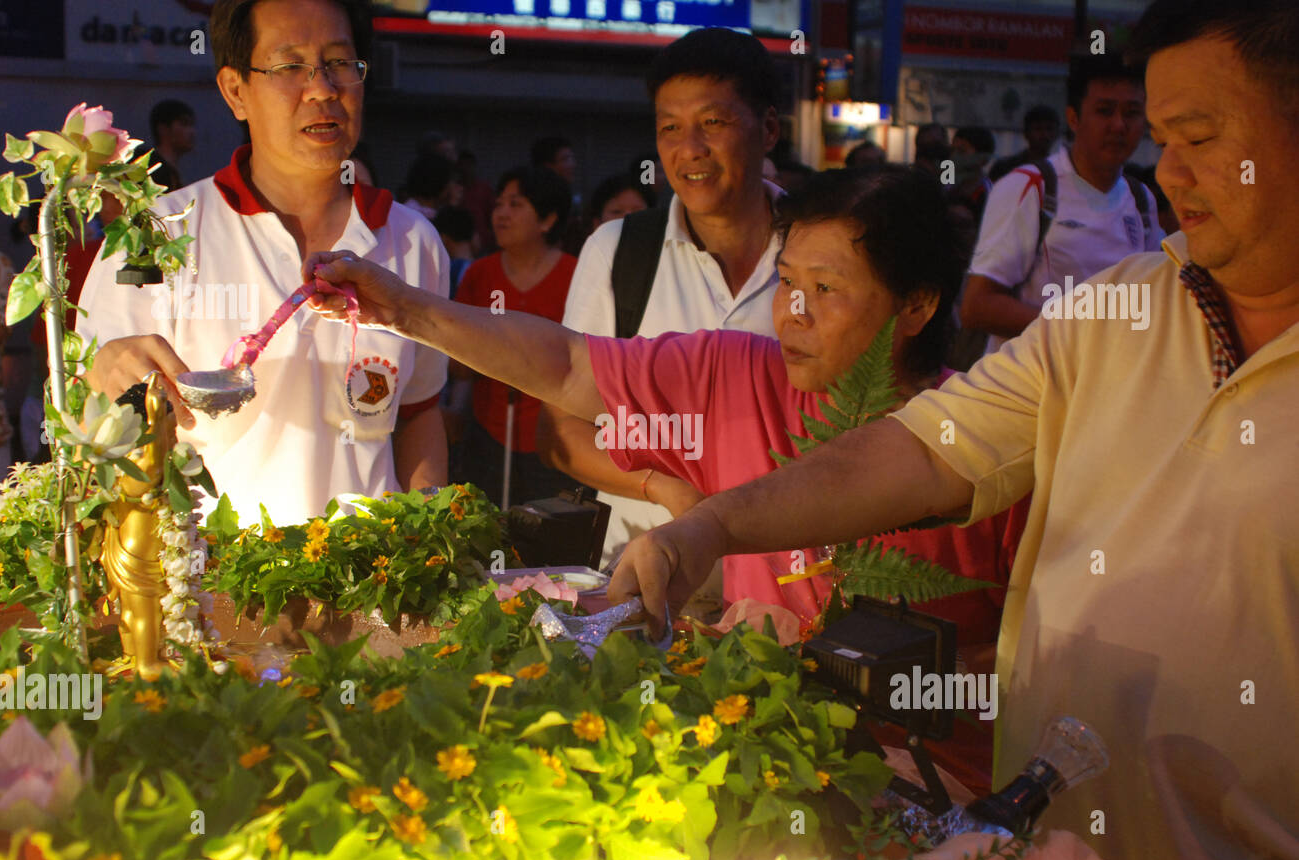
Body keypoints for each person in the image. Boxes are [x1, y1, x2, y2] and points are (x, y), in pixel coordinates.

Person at [581, 0, 1299, 860]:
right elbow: (925, 447)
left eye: (1198, 136)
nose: (1169, 174)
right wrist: (712, 525)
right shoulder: (1125, 305)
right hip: (1033, 836)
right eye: (1160, 138)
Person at [302, 165, 1030, 792]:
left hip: (940, 792)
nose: (792, 313)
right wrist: (402, 308)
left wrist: (896, 673)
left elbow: (1032, 655)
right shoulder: (735, 373)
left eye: (826, 290)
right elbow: (568, 364)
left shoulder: (992, 444)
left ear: (917, 305)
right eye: (786, 283)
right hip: (762, 764)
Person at [77, 0, 451, 526]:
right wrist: (99, 372)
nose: (322, 89)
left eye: (341, 63)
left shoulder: (413, 243)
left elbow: (417, 412)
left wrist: (425, 538)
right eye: (289, 66)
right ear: (235, 91)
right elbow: (86, 406)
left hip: (368, 582)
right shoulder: (153, 234)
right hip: (205, 587)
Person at [536, 27, 785, 576]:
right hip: (636, 577)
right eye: (669, 128)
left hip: (789, 583)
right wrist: (662, 487)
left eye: (712, 123)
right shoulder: (619, 251)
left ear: (768, 128)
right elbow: (560, 432)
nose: (689, 149)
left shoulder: (821, 252)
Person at [960, 54, 1164, 357]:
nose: (1119, 125)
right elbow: (977, 307)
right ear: (1073, 118)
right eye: (1104, 111)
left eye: (1132, 113)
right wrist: (1083, 332)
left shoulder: (1141, 199)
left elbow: (1149, 300)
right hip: (1029, 390)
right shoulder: (1029, 187)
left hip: (1103, 388)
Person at [451, 166, 577, 508]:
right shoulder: (480, 273)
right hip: (488, 433)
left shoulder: (576, 274)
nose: (501, 214)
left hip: (556, 438)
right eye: (499, 204)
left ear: (548, 220)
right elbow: (457, 359)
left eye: (516, 204)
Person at [988, 105, 1061, 183]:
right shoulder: (1004, 168)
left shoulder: (1060, 170)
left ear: (1057, 133)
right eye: (1038, 129)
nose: (1045, 135)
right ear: (1026, 133)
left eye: (1049, 129)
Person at [147, 99, 197, 192]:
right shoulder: (153, 170)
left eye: (192, 125)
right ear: (163, 129)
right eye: (184, 124)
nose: (192, 132)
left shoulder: (172, 173)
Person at [587, 173, 653, 233]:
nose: (627, 218)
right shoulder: (591, 246)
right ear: (597, 223)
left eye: (638, 211)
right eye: (617, 212)